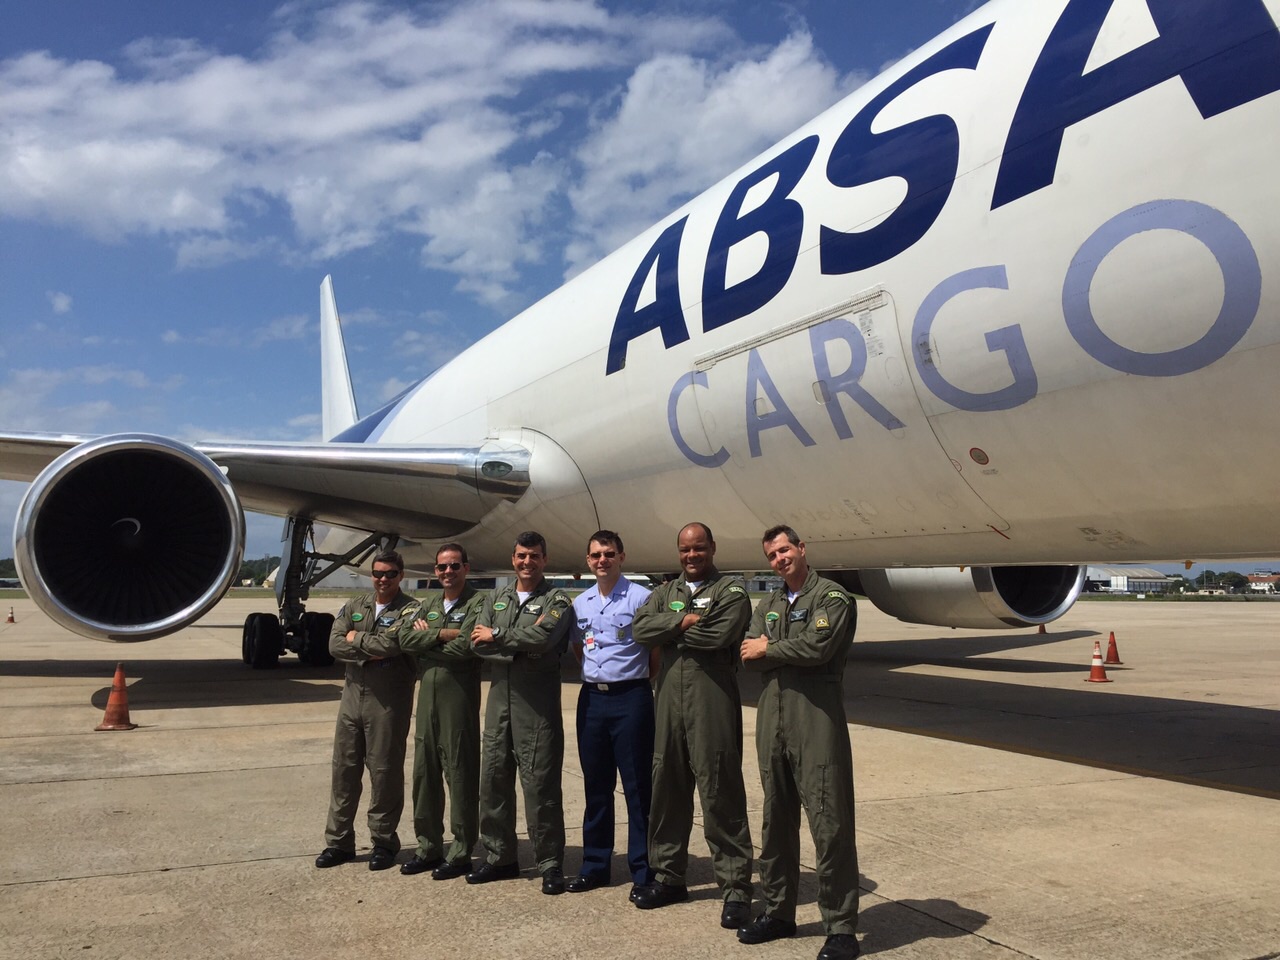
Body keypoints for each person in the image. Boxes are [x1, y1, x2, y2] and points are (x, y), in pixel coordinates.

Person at [737, 525, 860, 960]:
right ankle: (778, 913)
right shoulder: (768, 602)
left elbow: (819, 647)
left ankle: (841, 926)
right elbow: (748, 653)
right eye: (772, 554)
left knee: (829, 823)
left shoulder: (831, 597)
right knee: (776, 822)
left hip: (816, 720)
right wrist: (772, 648)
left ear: (802, 549)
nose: (779, 558)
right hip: (773, 720)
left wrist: (770, 647)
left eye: (785, 549)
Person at [631, 522, 754, 930]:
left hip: (711, 703)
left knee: (720, 790)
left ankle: (735, 888)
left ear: (712, 548)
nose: (691, 556)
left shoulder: (730, 592)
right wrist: (681, 623)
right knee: (667, 788)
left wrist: (671, 630)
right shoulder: (666, 592)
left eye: (699, 549)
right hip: (668, 703)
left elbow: (720, 634)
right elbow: (638, 629)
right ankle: (669, 877)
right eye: (685, 550)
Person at [467, 531, 574, 895]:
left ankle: (549, 863)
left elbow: (546, 638)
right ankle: (500, 857)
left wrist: (497, 634)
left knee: (540, 786)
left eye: (534, 556)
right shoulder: (496, 597)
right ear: (512, 558)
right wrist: (517, 643)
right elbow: (475, 645)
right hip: (499, 704)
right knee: (493, 781)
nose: (527, 562)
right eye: (521, 556)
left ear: (545, 559)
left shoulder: (557, 598)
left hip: (536, 707)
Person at [567, 530, 657, 899]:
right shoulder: (581, 603)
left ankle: (643, 868)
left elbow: (654, 654)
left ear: (622, 556)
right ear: (588, 561)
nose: (601, 560)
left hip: (630, 699)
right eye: (595, 555)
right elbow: (578, 649)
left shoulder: (642, 598)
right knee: (596, 786)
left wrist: (629, 681)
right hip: (592, 701)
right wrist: (599, 678)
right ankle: (595, 866)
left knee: (637, 788)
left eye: (608, 554)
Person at [315, 549, 417, 871]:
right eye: (378, 573)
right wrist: (370, 644)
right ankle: (339, 842)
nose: (383, 579)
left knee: (384, 773)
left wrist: (355, 638)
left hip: (386, 703)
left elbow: (395, 643)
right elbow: (333, 644)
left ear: (401, 576)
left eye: (390, 574)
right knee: (343, 772)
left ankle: (384, 842)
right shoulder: (356, 605)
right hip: (350, 702)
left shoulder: (411, 610)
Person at [391, 542, 486, 880]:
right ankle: (428, 847)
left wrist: (429, 640)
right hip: (427, 698)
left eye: (455, 566)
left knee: (459, 774)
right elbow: (403, 639)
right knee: (424, 775)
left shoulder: (479, 603)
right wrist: (443, 633)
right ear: (435, 571)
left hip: (457, 700)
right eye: (443, 567)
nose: (448, 572)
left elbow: (467, 646)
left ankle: (461, 850)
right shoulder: (428, 604)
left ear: (466, 568)